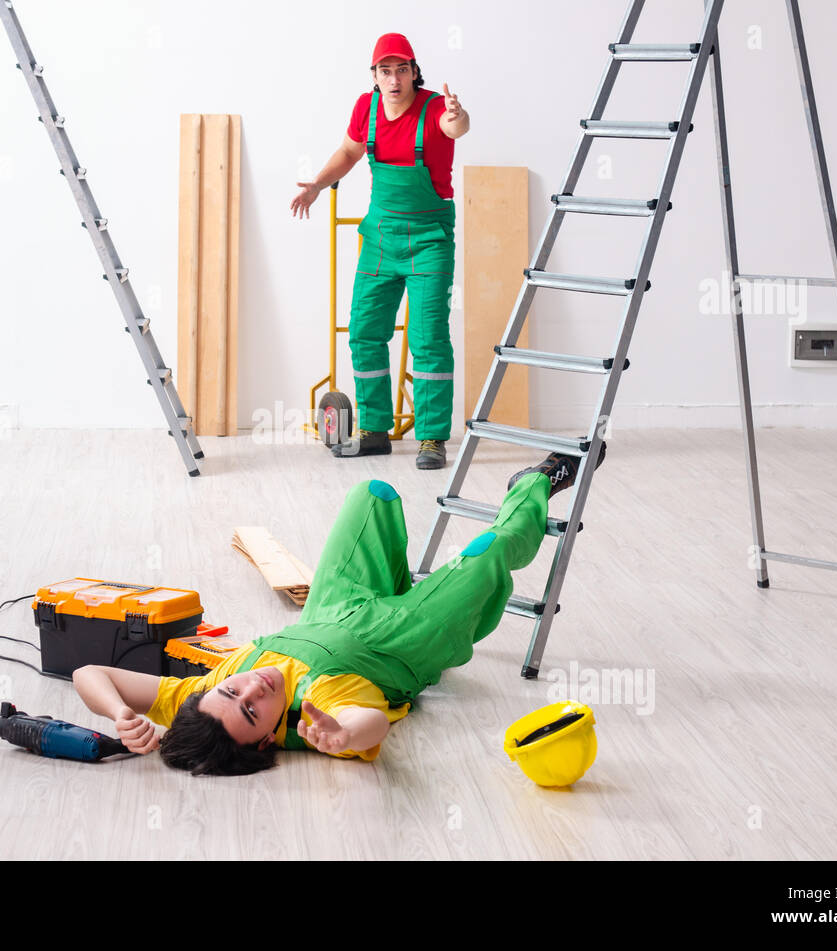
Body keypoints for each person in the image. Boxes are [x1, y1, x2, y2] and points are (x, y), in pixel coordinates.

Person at [71, 446, 607, 775]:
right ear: (264, 740)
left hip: (334, 606)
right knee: (486, 555)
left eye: (232, 690)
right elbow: (369, 724)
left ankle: (397, 579)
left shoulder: (198, 698)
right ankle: (535, 485)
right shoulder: (315, 713)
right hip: (402, 640)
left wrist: (120, 714)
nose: (253, 687)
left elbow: (88, 672)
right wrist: (345, 738)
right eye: (255, 710)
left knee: (372, 494)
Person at [290, 33, 470, 471]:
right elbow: (351, 152)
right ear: (375, 75)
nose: (394, 79)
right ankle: (374, 431)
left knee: (429, 339)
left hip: (429, 241)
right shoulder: (365, 109)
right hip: (380, 239)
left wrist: (458, 115)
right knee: (365, 333)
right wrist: (316, 183)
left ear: (413, 72)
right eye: (385, 71)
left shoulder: (433, 109)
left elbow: (456, 128)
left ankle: (431, 438)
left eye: (402, 69)